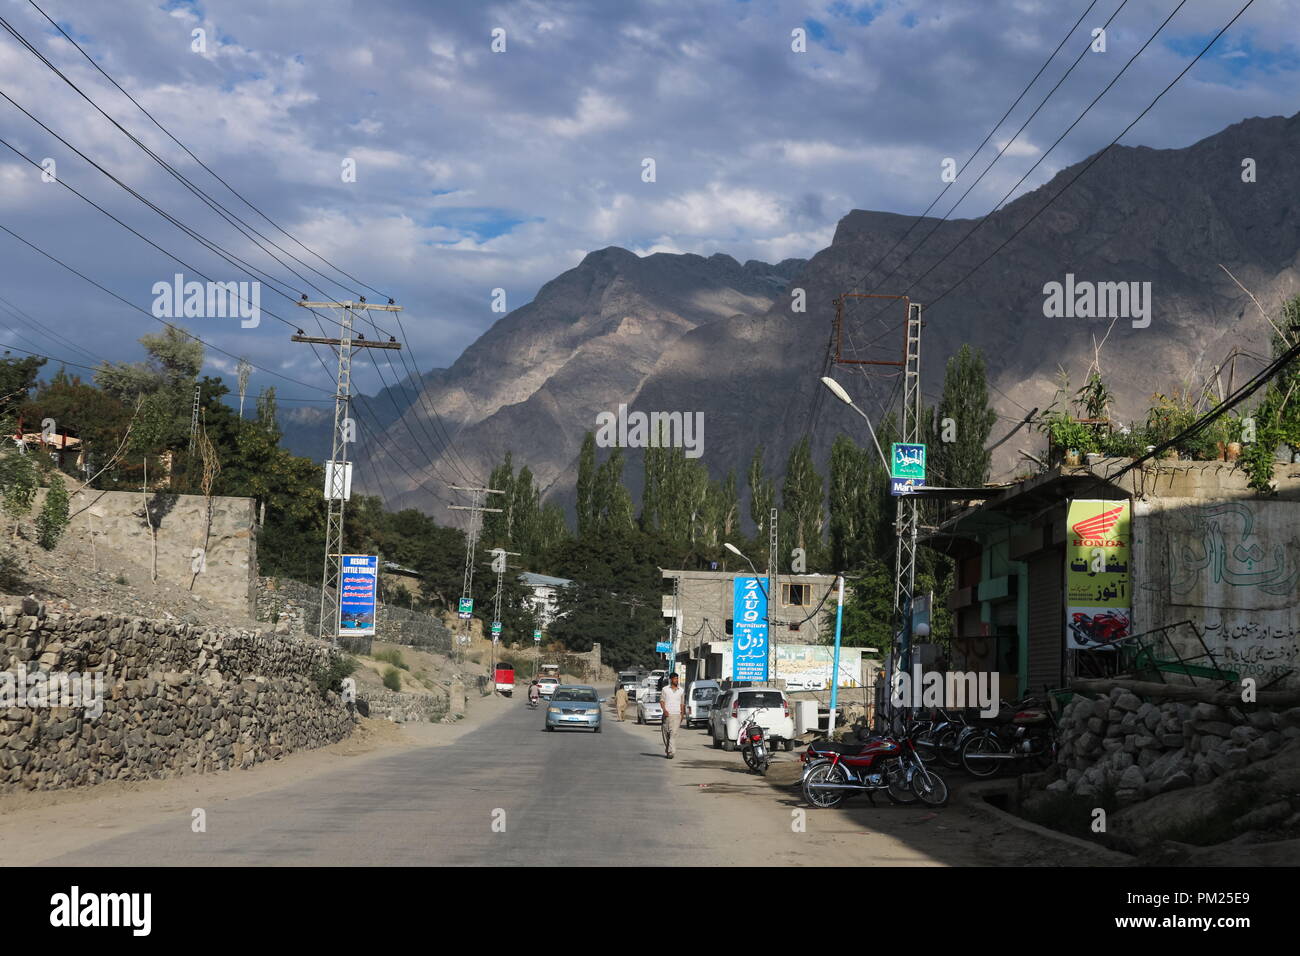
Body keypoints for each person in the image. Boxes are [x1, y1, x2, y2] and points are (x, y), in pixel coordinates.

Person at [659, 672, 685, 759]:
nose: (676, 680)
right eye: (675, 679)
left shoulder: (681, 690)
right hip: (667, 715)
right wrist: (664, 710)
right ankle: (668, 749)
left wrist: (682, 714)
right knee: (667, 734)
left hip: (677, 714)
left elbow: (682, 704)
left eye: (677, 678)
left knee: (673, 733)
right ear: (671, 680)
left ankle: (671, 751)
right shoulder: (665, 689)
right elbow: (662, 701)